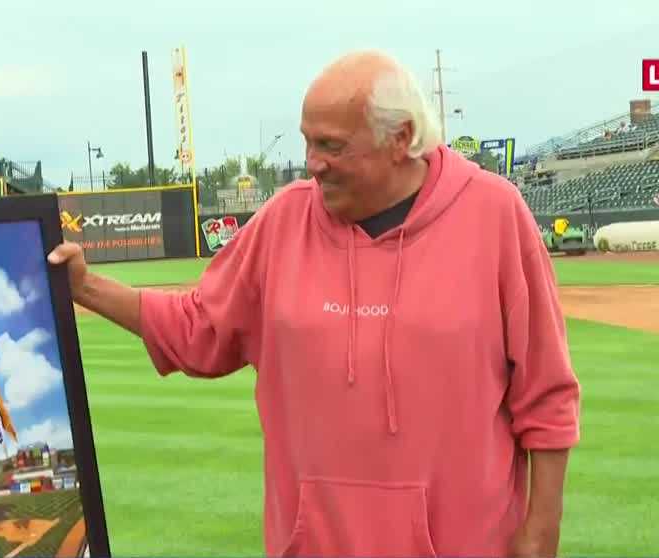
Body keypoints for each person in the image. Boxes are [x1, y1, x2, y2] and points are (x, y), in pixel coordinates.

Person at [49, 50, 581, 558]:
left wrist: (542, 529)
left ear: (401, 138)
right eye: (308, 143)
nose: (313, 164)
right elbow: (197, 328)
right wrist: (86, 286)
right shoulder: (283, 222)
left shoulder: (493, 214)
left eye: (331, 145)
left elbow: (547, 392)